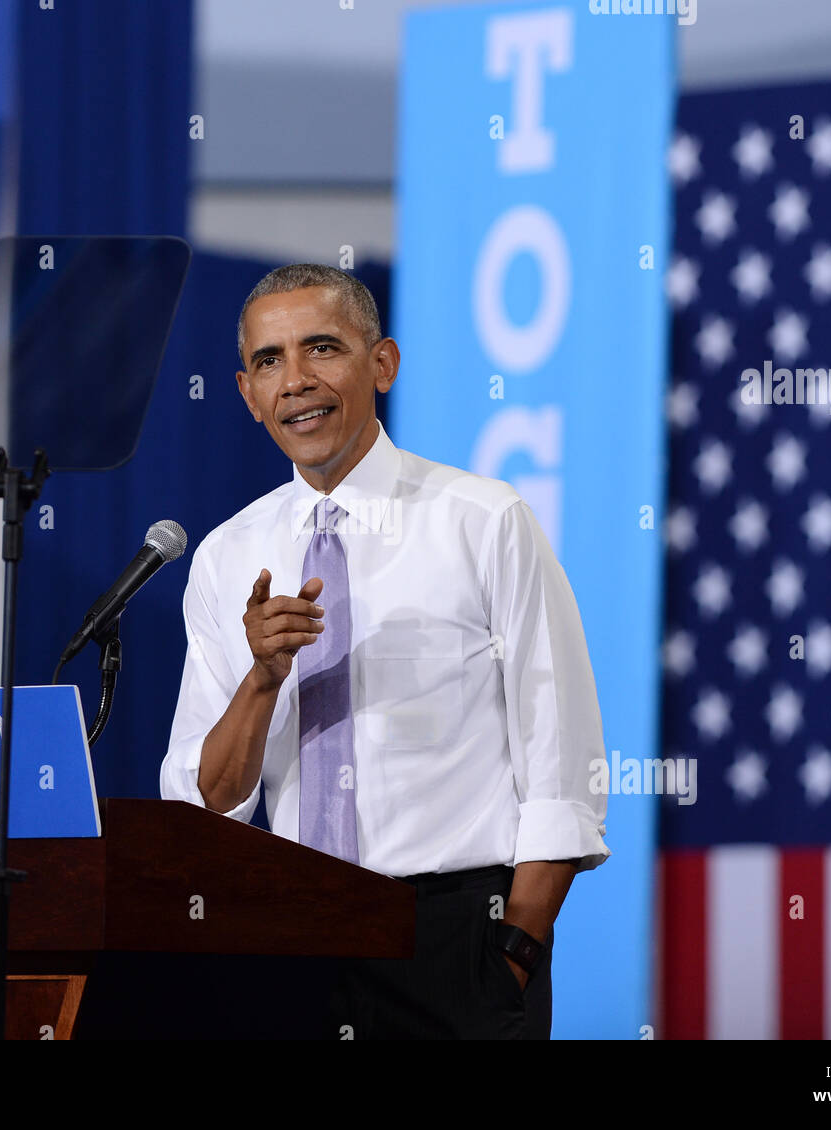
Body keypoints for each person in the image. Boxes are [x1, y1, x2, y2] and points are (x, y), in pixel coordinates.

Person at [160, 263, 609, 1039]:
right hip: (290, 948)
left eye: (322, 348)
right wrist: (262, 681)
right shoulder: (228, 554)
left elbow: (563, 767)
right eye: (269, 361)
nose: (295, 380)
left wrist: (512, 956)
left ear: (383, 364)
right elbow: (206, 807)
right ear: (246, 393)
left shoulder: (484, 521)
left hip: (454, 944)